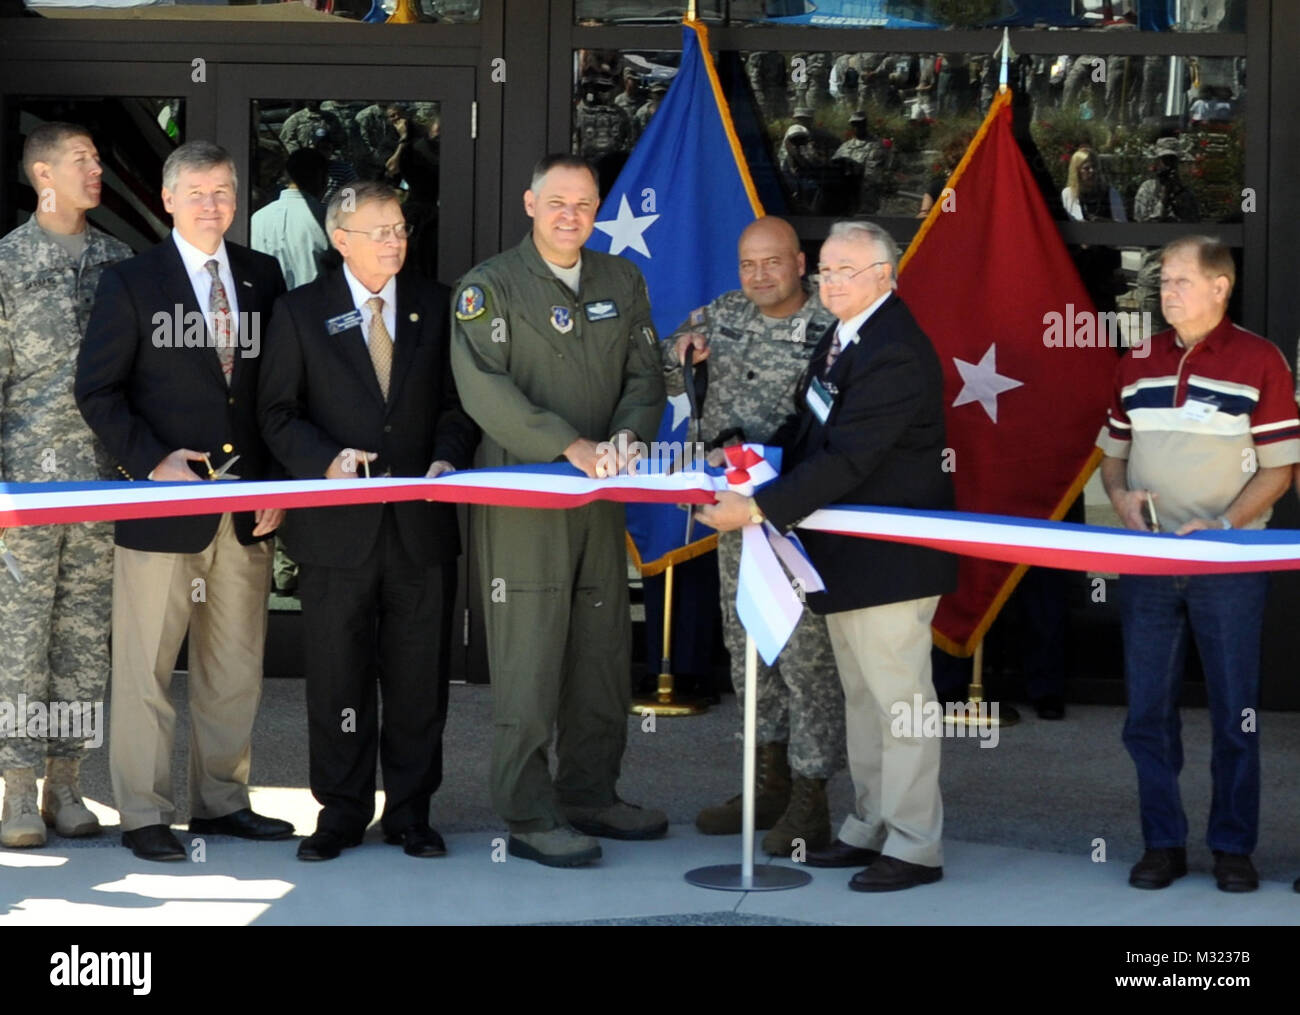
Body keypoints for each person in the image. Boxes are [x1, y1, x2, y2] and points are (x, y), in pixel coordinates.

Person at [696, 220, 956, 892]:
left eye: (847, 271)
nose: (831, 282)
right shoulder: (844, 339)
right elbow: (807, 432)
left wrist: (756, 507)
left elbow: (849, 459)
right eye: (828, 271)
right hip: (843, 560)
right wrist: (747, 462)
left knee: (900, 705)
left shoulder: (892, 349)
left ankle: (915, 844)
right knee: (866, 702)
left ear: (884, 277)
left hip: (890, 562)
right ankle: (869, 826)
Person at [75, 140, 292, 862]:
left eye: (224, 191)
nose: (212, 204)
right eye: (196, 191)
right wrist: (150, 461)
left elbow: (273, 398)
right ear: (167, 199)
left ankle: (222, 802)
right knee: (146, 668)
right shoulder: (131, 282)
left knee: (234, 667)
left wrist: (276, 486)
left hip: (246, 510)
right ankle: (142, 811)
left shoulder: (264, 277)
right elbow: (97, 390)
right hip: (159, 510)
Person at [449, 154, 666, 868]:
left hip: (602, 492)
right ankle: (527, 809)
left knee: (603, 649)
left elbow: (646, 374)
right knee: (529, 655)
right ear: (529, 203)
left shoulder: (621, 279)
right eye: (557, 202)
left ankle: (590, 792)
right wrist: (566, 445)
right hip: (525, 492)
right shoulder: (490, 287)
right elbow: (485, 391)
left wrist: (630, 434)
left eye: (584, 203)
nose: (571, 215)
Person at [259, 181, 477, 862]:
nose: (395, 240)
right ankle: (342, 811)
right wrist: (326, 461)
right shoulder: (298, 312)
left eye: (401, 227)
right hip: (334, 530)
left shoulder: (436, 307)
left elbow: (458, 404)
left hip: (420, 524)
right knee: (336, 677)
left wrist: (446, 458)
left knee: (418, 679)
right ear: (340, 240)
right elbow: (276, 414)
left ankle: (411, 812)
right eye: (379, 229)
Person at [1098, 235, 1299, 893]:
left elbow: (1281, 471)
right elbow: (1112, 451)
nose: (1168, 290)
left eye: (1182, 279)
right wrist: (1121, 497)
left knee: (1235, 710)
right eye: (1163, 281)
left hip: (1229, 565)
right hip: (1150, 562)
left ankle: (1233, 848)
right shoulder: (1137, 361)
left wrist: (1222, 525)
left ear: (1221, 287)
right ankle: (1163, 844)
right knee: (1147, 712)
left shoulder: (1260, 360)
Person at [664, 216, 844, 855]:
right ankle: (764, 781)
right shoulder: (723, 313)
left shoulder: (833, 321)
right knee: (749, 646)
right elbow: (665, 361)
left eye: (772, 262)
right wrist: (683, 354)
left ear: (801, 262)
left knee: (805, 658)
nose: (759, 275)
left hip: (800, 516)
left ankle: (810, 794)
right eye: (748, 264)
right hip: (732, 511)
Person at [0, 123, 133, 849]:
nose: (98, 167)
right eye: (83, 158)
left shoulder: (119, 263)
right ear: (42, 173)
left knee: (82, 639)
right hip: (24, 489)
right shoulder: (7, 265)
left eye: (97, 155)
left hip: (101, 485)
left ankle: (68, 785)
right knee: (20, 641)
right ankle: (17, 791)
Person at [250, 147, 330, 290]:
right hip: (314, 306)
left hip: (268, 307)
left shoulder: (257, 219)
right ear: (321, 178)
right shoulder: (327, 219)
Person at [1061, 148, 1126, 223]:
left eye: (1094, 167)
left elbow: (1123, 225)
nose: (1092, 171)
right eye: (1086, 168)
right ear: (1076, 171)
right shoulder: (1068, 194)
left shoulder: (1111, 193)